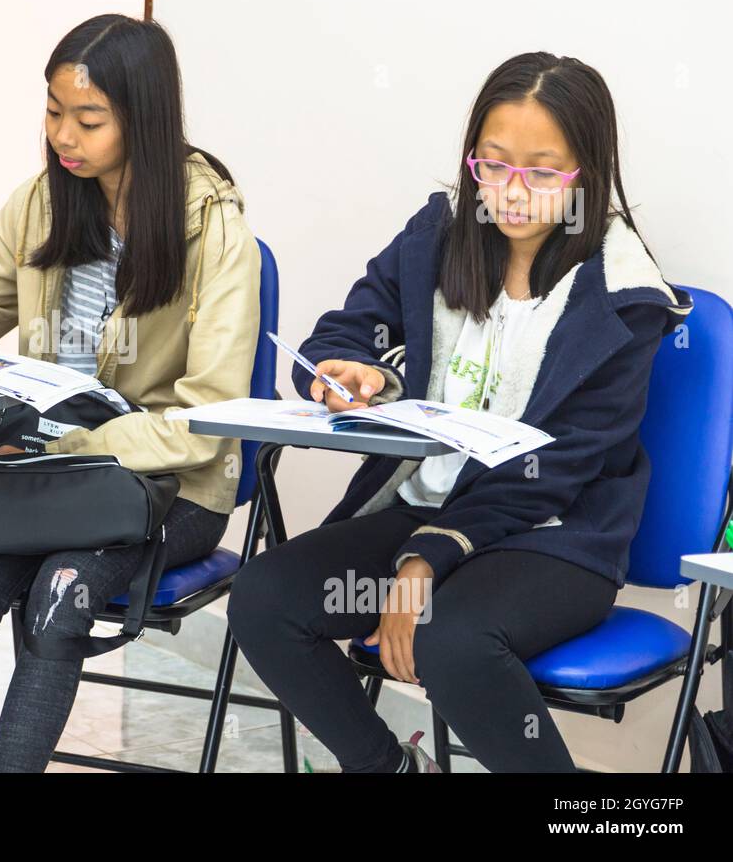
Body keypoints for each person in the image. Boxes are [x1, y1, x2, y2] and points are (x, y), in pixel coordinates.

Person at [228, 51, 692, 773]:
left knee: (451, 637)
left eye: (542, 172)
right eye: (493, 164)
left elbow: (558, 469)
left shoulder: (623, 297)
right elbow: (351, 327)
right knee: (264, 597)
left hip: (554, 537)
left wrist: (425, 558)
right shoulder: (440, 234)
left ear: (586, 176)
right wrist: (356, 369)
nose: (511, 191)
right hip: (427, 508)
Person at [0, 14, 262, 772]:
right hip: (47, 468)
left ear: (143, 118)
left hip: (166, 484)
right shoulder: (44, 200)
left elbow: (209, 415)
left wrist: (79, 444)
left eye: (88, 119)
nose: (64, 134)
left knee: (61, 596)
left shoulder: (214, 228)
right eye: (54, 111)